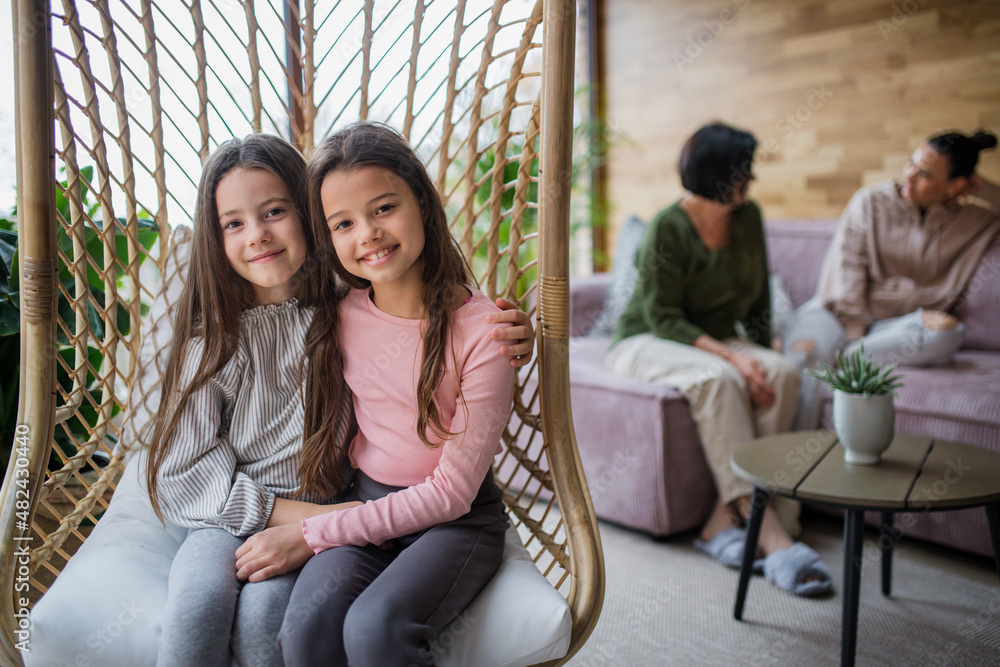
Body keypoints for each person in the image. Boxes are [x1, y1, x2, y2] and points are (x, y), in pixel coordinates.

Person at [145, 134, 534, 666]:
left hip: (374, 508)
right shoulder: (242, 334)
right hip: (270, 512)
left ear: (308, 223)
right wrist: (304, 521)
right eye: (233, 223)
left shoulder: (337, 310)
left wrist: (514, 330)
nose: (258, 234)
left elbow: (433, 318)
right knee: (216, 606)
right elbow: (182, 472)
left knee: (285, 621)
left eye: (276, 212)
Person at [604, 122, 832, 597]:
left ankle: (723, 522)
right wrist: (734, 359)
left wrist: (759, 355)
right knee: (719, 378)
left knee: (786, 374)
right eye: (743, 170)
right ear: (718, 174)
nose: (751, 180)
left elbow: (755, 304)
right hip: (646, 339)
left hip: (718, 338)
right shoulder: (670, 225)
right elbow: (663, 317)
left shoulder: (748, 218)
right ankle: (771, 535)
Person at [785, 130, 1000, 430]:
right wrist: (855, 335)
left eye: (924, 173)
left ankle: (843, 359)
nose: (909, 176)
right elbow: (849, 274)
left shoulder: (975, 221)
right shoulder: (871, 202)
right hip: (836, 315)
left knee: (947, 334)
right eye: (911, 163)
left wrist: (981, 188)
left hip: (900, 327)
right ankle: (791, 463)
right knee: (807, 354)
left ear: (957, 186)